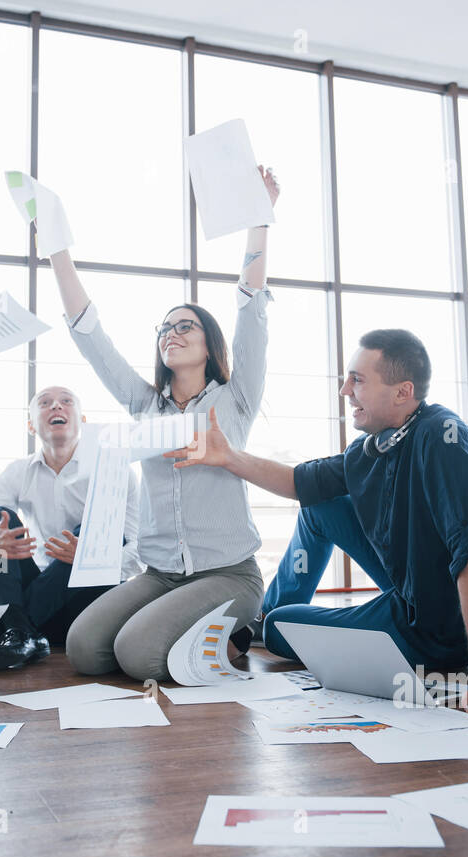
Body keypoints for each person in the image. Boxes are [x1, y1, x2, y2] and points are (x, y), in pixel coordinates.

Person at [167, 329, 468, 718]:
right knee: (319, 508)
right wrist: (228, 456)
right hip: (412, 587)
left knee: (282, 626)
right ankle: (257, 624)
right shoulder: (372, 447)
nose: (345, 390)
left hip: (439, 628)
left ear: (402, 392)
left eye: (358, 380)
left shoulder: (444, 440)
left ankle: (269, 624)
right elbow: (300, 482)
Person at [48, 166, 280, 682]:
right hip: (161, 575)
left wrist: (259, 220)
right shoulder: (144, 407)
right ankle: (192, 628)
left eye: (185, 325)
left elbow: (251, 310)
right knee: (83, 649)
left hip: (227, 574)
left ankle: (237, 633)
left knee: (137, 657)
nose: (171, 333)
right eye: (165, 328)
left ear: (207, 341)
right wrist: (57, 249)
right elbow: (91, 338)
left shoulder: (234, 400)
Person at [0, 384, 140, 670]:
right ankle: (19, 632)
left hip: (86, 603)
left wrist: (91, 558)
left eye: (66, 401)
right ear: (30, 425)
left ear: (83, 423)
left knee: (88, 532)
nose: (56, 406)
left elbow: (141, 551)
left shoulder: (114, 470)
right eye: (45, 403)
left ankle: (0, 630)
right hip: (40, 599)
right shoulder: (18, 471)